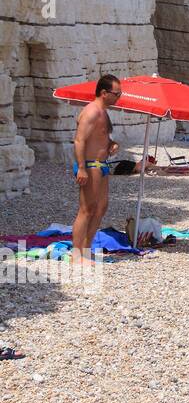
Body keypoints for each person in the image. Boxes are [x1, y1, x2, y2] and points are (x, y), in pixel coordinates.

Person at [71, 75, 121, 263]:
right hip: (90, 165)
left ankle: (85, 249)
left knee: (101, 207)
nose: (119, 97)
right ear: (104, 92)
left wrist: (112, 144)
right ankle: (76, 255)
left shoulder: (103, 112)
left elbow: (101, 138)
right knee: (86, 209)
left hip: (102, 165)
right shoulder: (91, 111)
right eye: (117, 94)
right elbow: (79, 140)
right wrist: (81, 168)